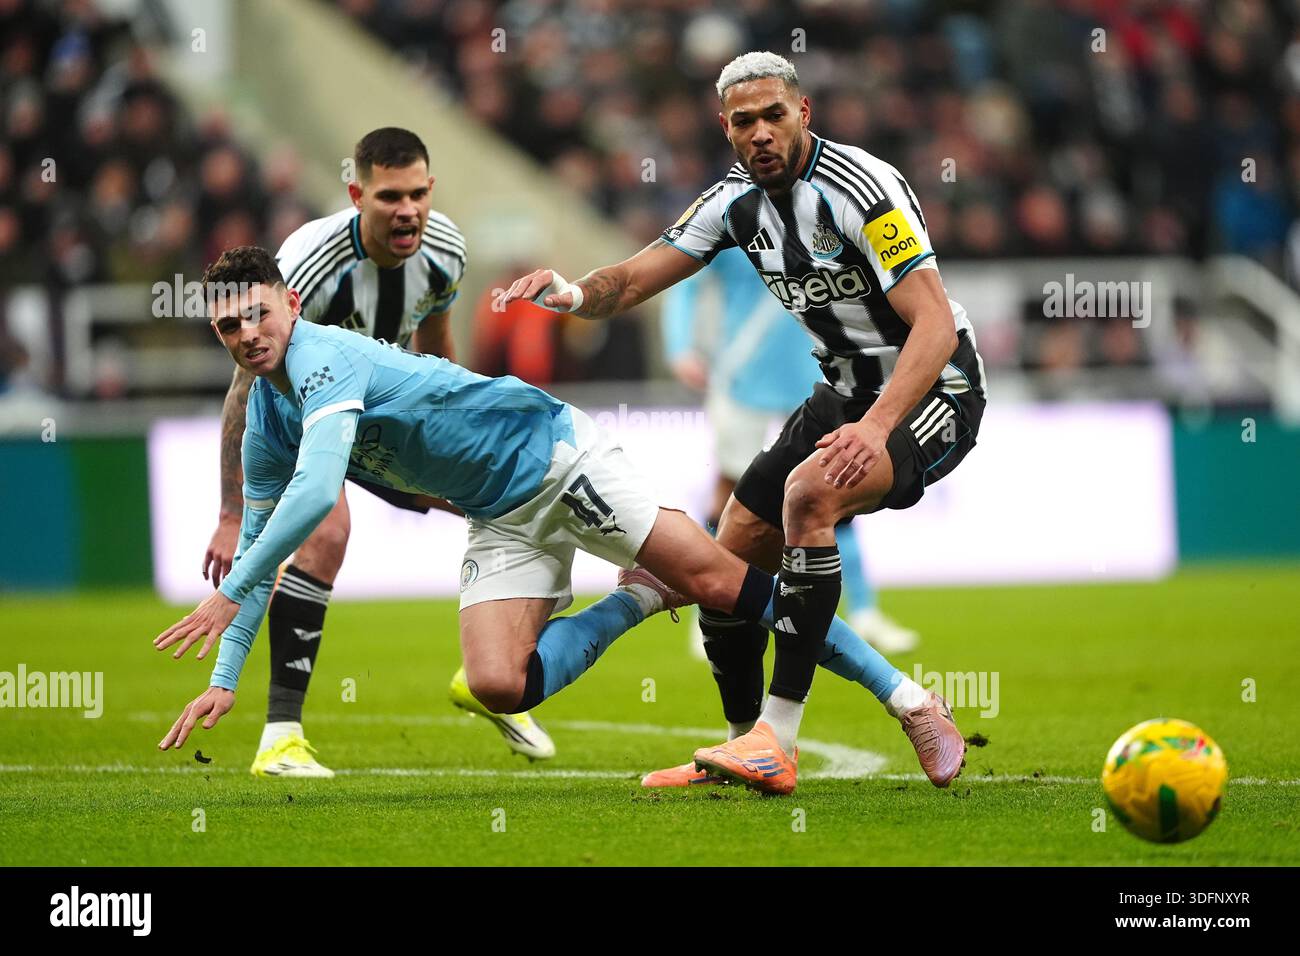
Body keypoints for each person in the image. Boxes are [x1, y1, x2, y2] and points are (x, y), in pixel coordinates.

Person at [154, 247, 960, 799]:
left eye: (257, 315)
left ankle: (908, 701)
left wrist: (233, 593)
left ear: (289, 304)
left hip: (556, 460)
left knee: (719, 580)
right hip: (497, 513)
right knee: (498, 684)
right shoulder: (266, 419)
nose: (248, 335)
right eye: (229, 327)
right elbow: (268, 537)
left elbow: (311, 495)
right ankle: (636, 600)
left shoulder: (324, 359)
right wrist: (225, 677)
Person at [496, 51, 985, 793]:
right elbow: (632, 277)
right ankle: (738, 748)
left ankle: (779, 740)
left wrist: (875, 427)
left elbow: (936, 326)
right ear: (725, 128)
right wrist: (570, 293)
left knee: (808, 498)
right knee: (721, 567)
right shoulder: (732, 203)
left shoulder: (863, 188)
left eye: (774, 116)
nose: (761, 133)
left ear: (804, 114)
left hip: (931, 393)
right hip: (843, 393)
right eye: (745, 121)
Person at [199, 127, 554, 777]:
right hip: (310, 421)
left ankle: (494, 675)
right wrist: (230, 512)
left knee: (520, 504)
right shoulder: (306, 263)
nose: (408, 211)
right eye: (390, 196)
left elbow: (438, 339)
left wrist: (470, 435)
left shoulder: (444, 247)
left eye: (418, 194)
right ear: (357, 194)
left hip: (387, 420)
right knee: (325, 528)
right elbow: (245, 385)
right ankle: (281, 737)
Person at [662, 245, 919, 657]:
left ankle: (866, 611)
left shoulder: (814, 217)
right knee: (731, 492)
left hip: (813, 377)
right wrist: (679, 347)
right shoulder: (736, 221)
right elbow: (685, 284)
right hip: (741, 379)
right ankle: (706, 610)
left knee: (834, 484)